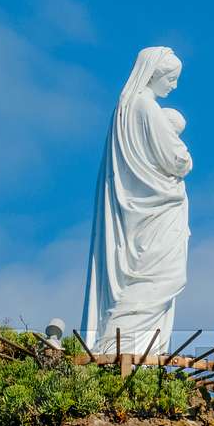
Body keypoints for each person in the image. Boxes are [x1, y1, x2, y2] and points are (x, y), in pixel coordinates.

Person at [80, 46, 192, 355]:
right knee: (163, 275)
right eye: (172, 78)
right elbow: (176, 159)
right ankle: (122, 343)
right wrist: (185, 158)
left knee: (146, 273)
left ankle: (128, 343)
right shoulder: (145, 107)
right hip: (155, 211)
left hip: (137, 208)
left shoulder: (124, 108)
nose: (174, 86)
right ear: (155, 74)